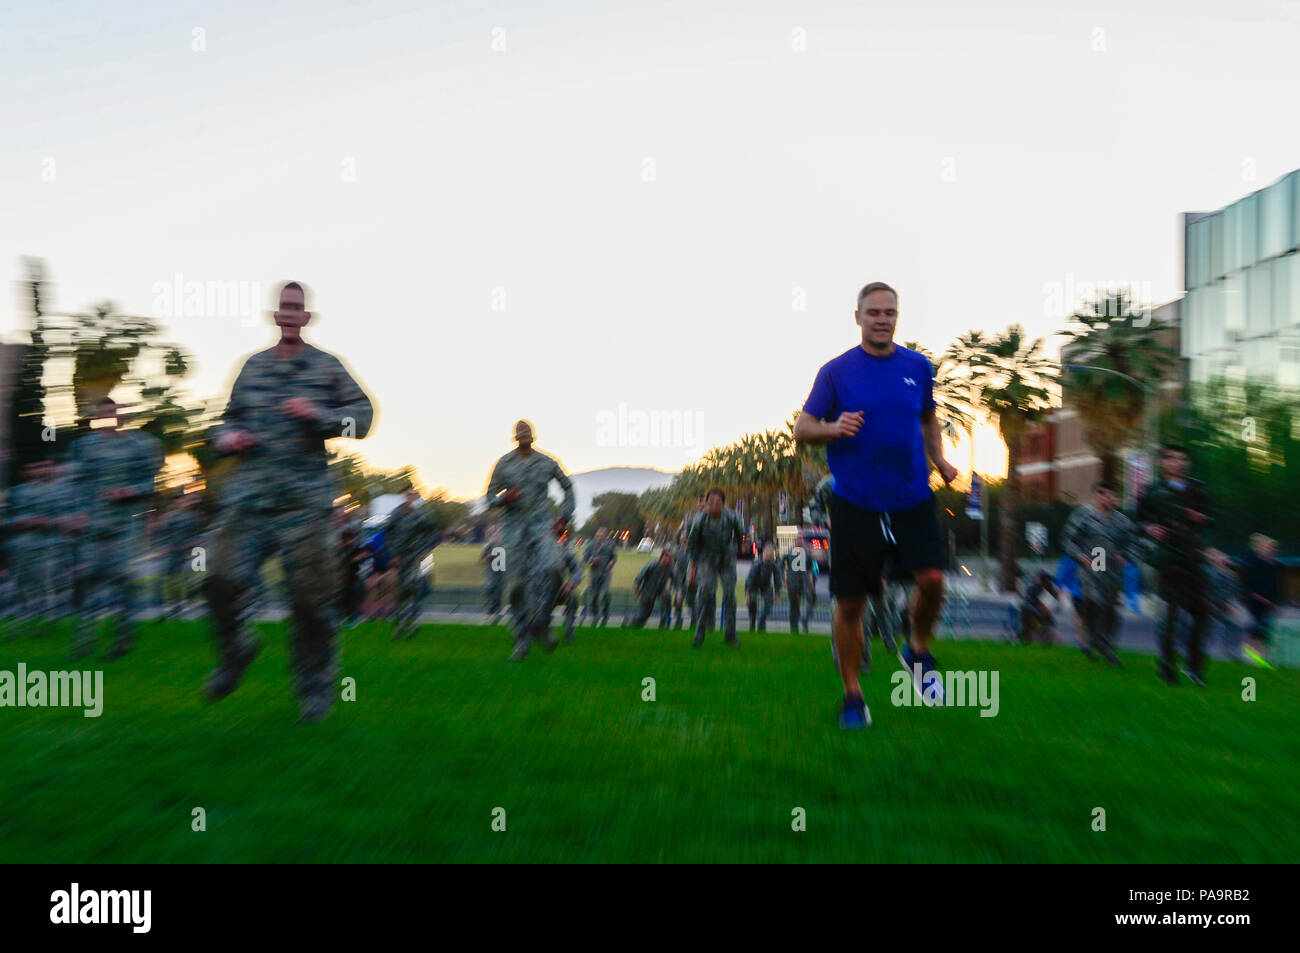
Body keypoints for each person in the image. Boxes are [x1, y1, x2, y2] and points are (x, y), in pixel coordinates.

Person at [201, 280, 375, 722]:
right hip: (249, 501)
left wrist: (319, 416)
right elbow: (222, 424)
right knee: (215, 576)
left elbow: (365, 419)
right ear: (276, 316)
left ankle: (314, 690)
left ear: (307, 317)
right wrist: (228, 438)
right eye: (285, 307)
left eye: (299, 308)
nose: (291, 314)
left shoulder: (326, 367)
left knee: (311, 601)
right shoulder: (252, 367)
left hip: (305, 505)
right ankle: (237, 648)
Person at [793, 281, 958, 728]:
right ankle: (852, 697)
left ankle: (918, 650)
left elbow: (927, 416)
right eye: (874, 312)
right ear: (858, 317)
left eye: (890, 312)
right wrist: (834, 427)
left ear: (896, 318)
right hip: (856, 503)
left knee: (934, 579)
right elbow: (803, 427)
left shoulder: (918, 367)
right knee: (850, 605)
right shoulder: (836, 372)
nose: (882, 319)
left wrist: (938, 457)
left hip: (912, 498)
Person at [70, 398, 164, 660]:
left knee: (121, 578)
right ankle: (83, 643)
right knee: (87, 579)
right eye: (105, 413)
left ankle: (122, 641)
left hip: (125, 521)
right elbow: (75, 482)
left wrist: (131, 490)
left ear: (121, 416)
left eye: (114, 412)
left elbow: (151, 481)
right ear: (98, 416)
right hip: (93, 521)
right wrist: (76, 514)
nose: (111, 417)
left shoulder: (139, 445)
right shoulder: (84, 446)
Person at [485, 420, 575, 661]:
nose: (523, 433)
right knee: (515, 587)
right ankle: (522, 639)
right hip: (513, 530)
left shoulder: (546, 462)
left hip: (541, 527)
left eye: (527, 430)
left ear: (533, 435)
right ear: (514, 437)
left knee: (555, 569)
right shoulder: (504, 464)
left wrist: (564, 516)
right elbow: (488, 498)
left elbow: (568, 487)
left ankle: (542, 623)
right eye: (519, 431)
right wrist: (504, 499)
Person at [1136, 444, 1214, 687]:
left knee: (1202, 613)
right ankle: (1168, 666)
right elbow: (1137, 522)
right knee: (1171, 614)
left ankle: (1194, 665)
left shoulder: (1199, 489)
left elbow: (1213, 520)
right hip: (1168, 559)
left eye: (1183, 459)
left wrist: (1203, 519)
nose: (1179, 463)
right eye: (1173, 459)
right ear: (1163, 463)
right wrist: (1149, 529)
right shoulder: (1153, 492)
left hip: (1194, 557)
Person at [1062, 481, 1138, 665]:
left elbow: (1134, 542)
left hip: (1112, 567)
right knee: (1094, 601)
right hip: (1093, 562)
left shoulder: (1122, 521)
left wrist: (1126, 556)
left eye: (1111, 495)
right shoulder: (1083, 516)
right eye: (1103, 494)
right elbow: (1067, 539)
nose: (1108, 499)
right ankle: (1096, 640)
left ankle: (1105, 642)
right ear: (1096, 496)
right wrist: (1079, 555)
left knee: (1110, 607)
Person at [686, 488, 744, 647]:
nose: (714, 506)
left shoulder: (733, 517)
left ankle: (730, 635)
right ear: (706, 504)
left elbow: (740, 534)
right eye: (710, 502)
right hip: (706, 557)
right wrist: (693, 565)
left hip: (726, 558)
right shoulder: (699, 520)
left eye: (718, 502)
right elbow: (691, 544)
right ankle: (700, 632)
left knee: (730, 593)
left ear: (723, 504)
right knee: (705, 591)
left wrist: (739, 548)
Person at [386, 487, 442, 640]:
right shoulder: (396, 514)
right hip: (401, 557)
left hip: (419, 556)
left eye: (411, 495)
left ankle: (414, 622)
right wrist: (393, 554)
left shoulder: (422, 515)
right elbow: (388, 533)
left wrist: (425, 552)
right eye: (406, 495)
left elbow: (433, 533)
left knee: (416, 587)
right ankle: (400, 623)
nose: (408, 498)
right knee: (401, 591)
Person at [1242, 533, 1280, 668]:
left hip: (1267, 604)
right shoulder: (1253, 563)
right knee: (1253, 630)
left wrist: (1274, 601)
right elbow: (1250, 584)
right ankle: (1250, 657)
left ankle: (1261, 658)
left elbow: (1274, 585)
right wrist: (1259, 597)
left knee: (1264, 631)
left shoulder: (1272, 566)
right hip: (1255, 603)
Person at [626, 549, 675, 629]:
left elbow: (676, 580)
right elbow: (639, 577)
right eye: (665, 557)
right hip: (647, 591)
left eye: (669, 558)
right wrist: (637, 590)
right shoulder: (652, 565)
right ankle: (631, 625)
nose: (666, 560)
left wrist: (676, 589)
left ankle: (664, 624)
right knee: (644, 615)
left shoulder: (670, 568)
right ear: (661, 557)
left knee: (667, 595)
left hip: (659, 591)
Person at [583, 527, 616, 627]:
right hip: (594, 575)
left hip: (606, 574)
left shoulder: (609, 545)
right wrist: (592, 561)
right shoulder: (590, 546)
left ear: (605, 537)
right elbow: (585, 560)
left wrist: (611, 563)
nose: (599, 538)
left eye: (601, 536)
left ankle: (605, 616)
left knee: (605, 593)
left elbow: (614, 557)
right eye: (597, 536)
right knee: (594, 597)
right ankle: (595, 616)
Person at [745, 543, 781, 632]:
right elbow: (750, 580)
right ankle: (752, 624)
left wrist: (777, 595)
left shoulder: (773, 565)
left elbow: (777, 580)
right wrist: (748, 595)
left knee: (769, 603)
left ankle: (762, 621)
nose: (769, 557)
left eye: (770, 555)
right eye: (767, 554)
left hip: (765, 585)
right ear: (764, 553)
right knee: (752, 603)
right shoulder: (757, 564)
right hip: (753, 585)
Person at [1017, 571, 1060, 644]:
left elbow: (1048, 608)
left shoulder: (1050, 591)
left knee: (1052, 636)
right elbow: (1027, 604)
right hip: (1031, 616)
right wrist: (1037, 612)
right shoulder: (1033, 589)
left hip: (1044, 618)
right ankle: (1024, 636)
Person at [782, 543, 813, 634]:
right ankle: (794, 627)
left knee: (809, 601)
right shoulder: (789, 554)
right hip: (793, 582)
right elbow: (781, 565)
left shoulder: (807, 555)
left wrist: (811, 583)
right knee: (794, 605)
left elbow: (810, 570)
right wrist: (784, 578)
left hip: (804, 582)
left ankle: (804, 620)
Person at [480, 524, 505, 622]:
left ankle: (498, 611)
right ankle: (489, 610)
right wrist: (489, 556)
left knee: (499, 591)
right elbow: (482, 559)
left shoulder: (506, 545)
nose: (498, 535)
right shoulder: (490, 545)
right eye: (497, 533)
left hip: (502, 573)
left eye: (500, 533)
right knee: (490, 588)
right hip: (491, 572)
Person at [671, 529, 693, 629]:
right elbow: (673, 566)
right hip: (679, 580)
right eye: (682, 536)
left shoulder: (692, 550)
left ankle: (694, 623)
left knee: (692, 603)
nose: (683, 538)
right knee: (678, 600)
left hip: (691, 581)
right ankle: (678, 622)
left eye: (685, 536)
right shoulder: (676, 550)